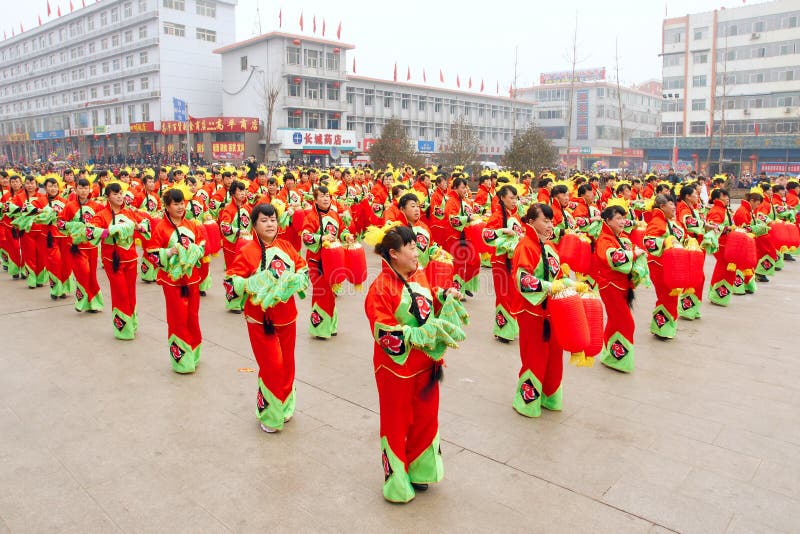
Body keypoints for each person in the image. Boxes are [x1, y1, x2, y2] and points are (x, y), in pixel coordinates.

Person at [364, 226, 466, 503]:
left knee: (426, 416)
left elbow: (429, 298)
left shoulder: (418, 274)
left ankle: (421, 470)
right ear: (394, 254)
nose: (416, 252)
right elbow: (383, 331)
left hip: (426, 362)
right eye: (410, 247)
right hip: (395, 367)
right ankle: (396, 481)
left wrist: (446, 296)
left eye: (416, 246)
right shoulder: (380, 287)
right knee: (396, 422)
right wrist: (414, 334)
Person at [226, 203, 310, 432]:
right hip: (260, 320)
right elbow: (231, 282)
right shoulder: (247, 251)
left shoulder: (287, 246)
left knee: (287, 363)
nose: (270, 224)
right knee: (272, 365)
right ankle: (270, 414)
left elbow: (303, 269)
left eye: (273, 219)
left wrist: (296, 280)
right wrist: (252, 282)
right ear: (254, 225)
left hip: (287, 317)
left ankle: (284, 405)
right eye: (264, 220)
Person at [510, 203, 567, 417]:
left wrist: (567, 284)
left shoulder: (549, 246)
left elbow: (557, 274)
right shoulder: (525, 246)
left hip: (552, 310)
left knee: (554, 355)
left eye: (551, 220)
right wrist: (548, 287)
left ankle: (550, 396)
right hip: (531, 311)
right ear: (531, 221)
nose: (550, 224)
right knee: (535, 356)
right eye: (545, 220)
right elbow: (522, 280)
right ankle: (527, 401)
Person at [148, 187, 206, 373]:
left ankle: (194, 354)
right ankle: (181, 360)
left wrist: (197, 250)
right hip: (172, 282)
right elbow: (151, 253)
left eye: (182, 203)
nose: (180, 207)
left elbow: (202, 245)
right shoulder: (160, 227)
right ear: (167, 206)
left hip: (192, 280)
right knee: (177, 319)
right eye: (176, 204)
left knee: (193, 317)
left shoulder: (192, 225)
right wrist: (167, 252)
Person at [87, 182, 151, 340]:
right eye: (115, 194)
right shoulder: (101, 215)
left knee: (131, 293)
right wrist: (109, 231)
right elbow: (90, 231)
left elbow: (146, 222)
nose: (119, 196)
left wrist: (139, 227)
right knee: (120, 294)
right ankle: (123, 329)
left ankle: (132, 323)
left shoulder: (130, 212)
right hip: (112, 261)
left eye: (121, 193)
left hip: (130, 259)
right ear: (108, 197)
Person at [592, 205, 647, 372]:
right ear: (608, 220)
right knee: (626, 323)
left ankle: (610, 354)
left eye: (623, 218)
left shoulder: (620, 237)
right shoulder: (604, 240)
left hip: (621, 285)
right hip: (610, 286)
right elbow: (614, 258)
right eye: (618, 218)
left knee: (616, 320)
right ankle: (618, 359)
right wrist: (635, 254)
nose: (623, 222)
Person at [301, 185, 353, 339]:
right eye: (322, 196)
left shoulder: (334, 215)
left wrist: (346, 236)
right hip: (316, 261)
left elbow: (342, 230)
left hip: (332, 260)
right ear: (315, 200)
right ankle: (320, 329)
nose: (325, 199)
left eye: (327, 196)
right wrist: (321, 238)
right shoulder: (310, 217)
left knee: (330, 293)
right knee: (321, 292)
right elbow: (305, 236)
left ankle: (330, 325)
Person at [483, 184, 523, 343]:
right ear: (502, 198)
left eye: (516, 198)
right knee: (504, 295)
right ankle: (503, 330)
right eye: (511, 198)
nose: (514, 201)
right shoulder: (496, 216)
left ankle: (510, 328)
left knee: (513, 295)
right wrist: (502, 232)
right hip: (500, 261)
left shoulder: (515, 215)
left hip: (514, 261)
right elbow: (486, 235)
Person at [59, 178, 104, 312]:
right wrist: (73, 227)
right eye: (80, 188)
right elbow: (60, 223)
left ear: (89, 189)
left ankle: (94, 303)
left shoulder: (97, 206)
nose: (83, 191)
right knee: (83, 272)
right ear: (76, 189)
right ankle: (84, 300)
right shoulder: (69, 206)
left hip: (92, 246)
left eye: (86, 188)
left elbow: (104, 220)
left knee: (92, 275)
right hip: (76, 247)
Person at [644, 194, 685, 340]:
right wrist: (668, 241)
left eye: (674, 204)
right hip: (659, 265)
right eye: (671, 204)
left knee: (670, 295)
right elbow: (649, 242)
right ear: (662, 207)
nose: (674, 207)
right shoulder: (657, 221)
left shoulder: (668, 221)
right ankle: (662, 328)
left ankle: (663, 327)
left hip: (671, 264)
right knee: (667, 295)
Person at [443, 177, 480, 296]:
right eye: (462, 187)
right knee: (458, 264)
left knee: (475, 261)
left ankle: (466, 285)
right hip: (454, 236)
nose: (465, 190)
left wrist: (484, 212)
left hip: (467, 235)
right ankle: (458, 291)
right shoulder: (451, 201)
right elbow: (452, 219)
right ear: (455, 188)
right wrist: (468, 218)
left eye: (466, 187)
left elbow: (474, 207)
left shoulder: (465, 200)